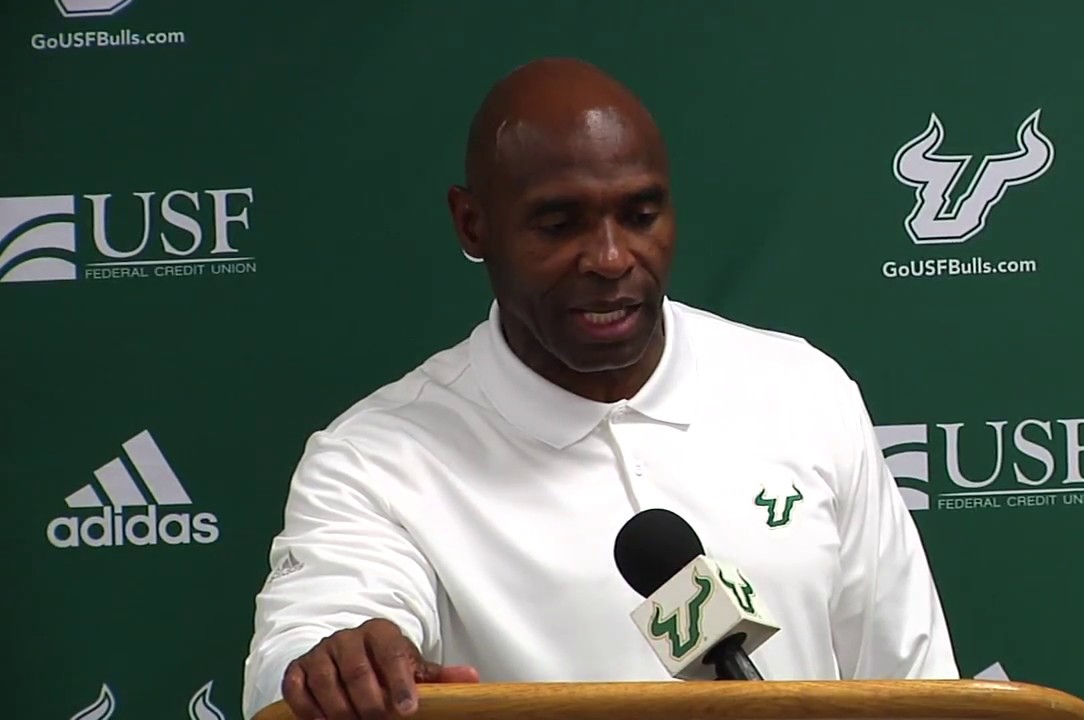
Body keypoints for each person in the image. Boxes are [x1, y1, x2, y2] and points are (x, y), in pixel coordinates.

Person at [242, 57, 958, 720]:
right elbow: (306, 647)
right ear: (473, 224)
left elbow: (915, 683)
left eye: (641, 217)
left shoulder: (802, 389)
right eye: (559, 225)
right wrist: (338, 663)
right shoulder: (376, 460)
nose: (612, 258)